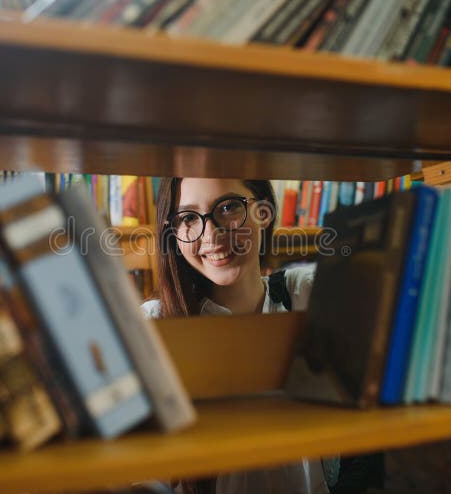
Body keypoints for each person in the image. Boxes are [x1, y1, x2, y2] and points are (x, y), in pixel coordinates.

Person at [141, 177, 335, 494]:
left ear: (264, 212)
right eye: (188, 217)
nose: (213, 234)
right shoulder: (154, 325)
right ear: (174, 234)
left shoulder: (308, 295)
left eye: (229, 206)